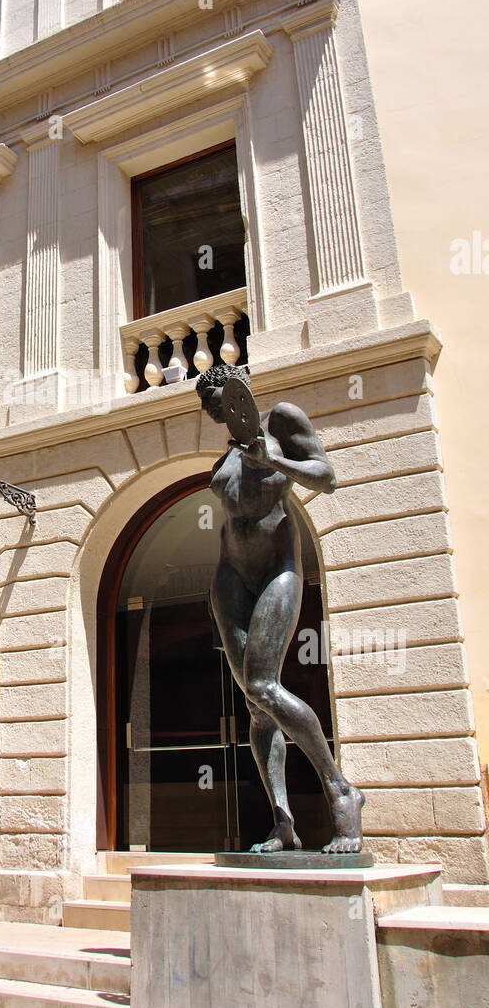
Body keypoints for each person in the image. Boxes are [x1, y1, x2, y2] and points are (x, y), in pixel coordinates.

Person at [197, 363, 364, 854]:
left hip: (278, 569)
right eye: (207, 405)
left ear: (238, 390)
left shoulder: (282, 420)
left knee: (263, 686)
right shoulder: (228, 452)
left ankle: (341, 791)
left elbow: (326, 477)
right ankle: (283, 823)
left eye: (217, 399)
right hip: (230, 575)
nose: (212, 410)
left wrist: (275, 461)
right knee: (255, 706)